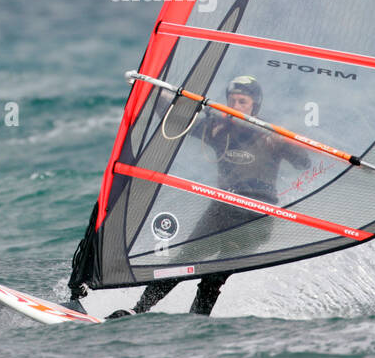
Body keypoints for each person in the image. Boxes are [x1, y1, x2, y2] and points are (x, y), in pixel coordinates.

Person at [106, 75, 310, 318]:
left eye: (242, 101)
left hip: (255, 215)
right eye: (232, 100)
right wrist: (154, 92)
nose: (235, 106)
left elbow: (303, 164)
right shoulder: (218, 129)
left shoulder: (268, 134)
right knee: (182, 261)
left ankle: (197, 322)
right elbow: (176, 120)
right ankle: (137, 310)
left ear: (255, 105)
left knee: (214, 275)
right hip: (222, 207)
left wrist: (288, 143)